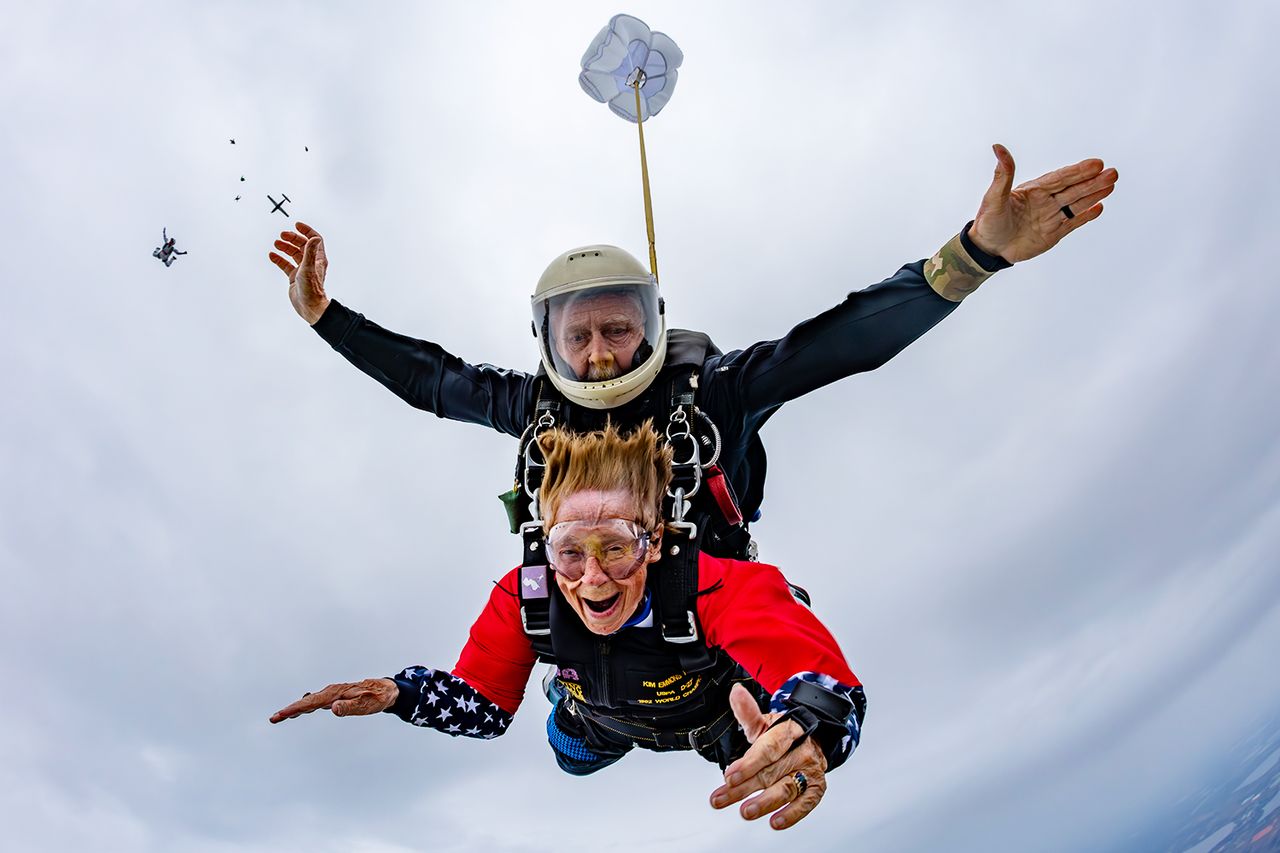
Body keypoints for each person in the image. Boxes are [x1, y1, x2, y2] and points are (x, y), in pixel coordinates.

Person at [267, 145, 1117, 557]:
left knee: (753, 717)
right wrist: (325, 316)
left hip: (716, 600)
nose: (599, 352)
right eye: (578, 334)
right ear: (549, 342)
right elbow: (433, 381)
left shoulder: (711, 391)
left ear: (651, 322)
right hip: (597, 620)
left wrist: (973, 255)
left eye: (618, 327)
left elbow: (842, 341)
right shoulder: (537, 405)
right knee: (577, 742)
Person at [270, 423, 865, 830]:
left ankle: (749, 724)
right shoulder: (528, 592)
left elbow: (828, 683)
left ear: (655, 541)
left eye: (617, 546)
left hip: (722, 723)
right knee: (569, 754)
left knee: (762, 754)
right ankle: (567, 692)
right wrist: (400, 694)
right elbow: (482, 706)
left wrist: (813, 731)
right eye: (569, 551)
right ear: (543, 545)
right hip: (597, 720)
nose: (594, 578)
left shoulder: (711, 582)